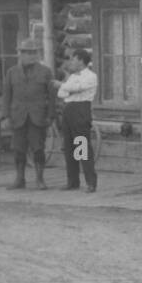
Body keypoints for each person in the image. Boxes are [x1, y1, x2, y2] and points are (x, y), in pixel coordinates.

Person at [1, 38, 56, 190]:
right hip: (18, 117)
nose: (31, 56)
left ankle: (40, 179)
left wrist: (51, 116)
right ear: (20, 54)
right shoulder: (11, 72)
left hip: (38, 117)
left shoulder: (45, 72)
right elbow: (6, 95)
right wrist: (5, 116)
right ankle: (20, 179)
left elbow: (52, 96)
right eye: (27, 53)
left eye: (34, 53)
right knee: (19, 149)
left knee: (38, 148)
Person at [56, 48, 98, 192]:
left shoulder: (91, 76)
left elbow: (79, 88)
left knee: (82, 147)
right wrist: (67, 87)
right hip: (68, 110)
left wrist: (64, 86)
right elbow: (62, 93)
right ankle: (72, 181)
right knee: (69, 147)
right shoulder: (73, 76)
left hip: (81, 110)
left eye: (73, 59)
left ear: (81, 60)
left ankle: (90, 182)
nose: (71, 62)